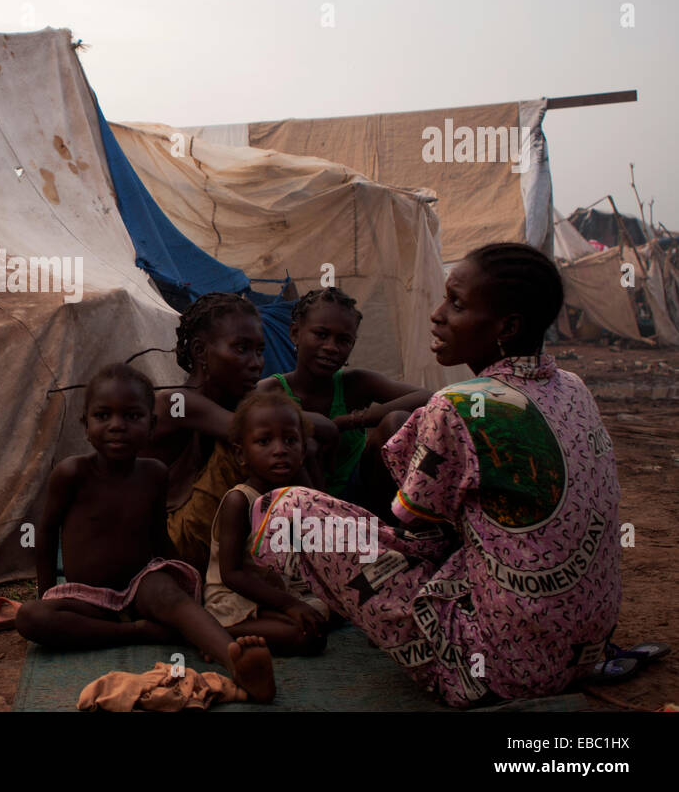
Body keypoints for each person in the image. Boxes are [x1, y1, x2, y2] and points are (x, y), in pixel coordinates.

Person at [249, 243, 622, 707]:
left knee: (284, 509)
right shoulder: (572, 386)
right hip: (580, 650)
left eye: (457, 304)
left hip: (495, 669)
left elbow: (412, 532)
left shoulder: (459, 405)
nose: (437, 315)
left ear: (506, 327)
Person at [16, 362, 276, 701]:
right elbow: (46, 533)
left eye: (132, 416)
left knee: (170, 595)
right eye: (103, 416)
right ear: (85, 425)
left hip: (141, 585)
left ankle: (236, 661)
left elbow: (158, 535)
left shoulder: (154, 473)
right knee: (31, 618)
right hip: (87, 596)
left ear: (151, 425)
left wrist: (186, 583)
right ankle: (135, 632)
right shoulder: (72, 473)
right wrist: (48, 592)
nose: (117, 426)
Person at [258, 287, 431, 514]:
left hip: (363, 497)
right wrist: (316, 425)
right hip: (297, 504)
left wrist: (353, 420)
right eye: (321, 334)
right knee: (306, 445)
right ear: (295, 333)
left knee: (396, 421)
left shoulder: (356, 384)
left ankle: (394, 524)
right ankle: (325, 533)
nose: (331, 347)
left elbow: (430, 398)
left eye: (343, 340)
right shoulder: (271, 391)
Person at [144, 293, 270, 572]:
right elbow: (261, 431)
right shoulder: (178, 403)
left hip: (194, 534)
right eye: (241, 349)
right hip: (167, 542)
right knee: (254, 442)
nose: (255, 363)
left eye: (259, 351)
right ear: (200, 351)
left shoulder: (230, 401)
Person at [202, 389, 331, 655]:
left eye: (290, 441)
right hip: (236, 599)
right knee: (307, 636)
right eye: (264, 442)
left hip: (278, 594)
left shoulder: (297, 497)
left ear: (303, 451)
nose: (280, 451)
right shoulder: (240, 501)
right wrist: (289, 605)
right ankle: (213, 634)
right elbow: (231, 574)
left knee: (330, 613)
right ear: (241, 454)